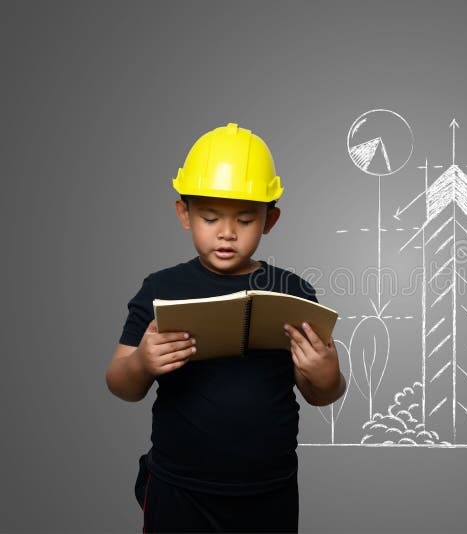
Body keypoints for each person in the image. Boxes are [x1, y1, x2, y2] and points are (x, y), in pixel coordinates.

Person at [105, 122, 346, 533]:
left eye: (246, 220)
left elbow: (321, 393)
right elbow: (121, 384)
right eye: (211, 216)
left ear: (271, 220)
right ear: (184, 213)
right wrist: (144, 362)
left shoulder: (293, 291)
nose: (227, 233)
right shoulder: (161, 287)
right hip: (179, 489)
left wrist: (327, 376)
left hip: (268, 493)